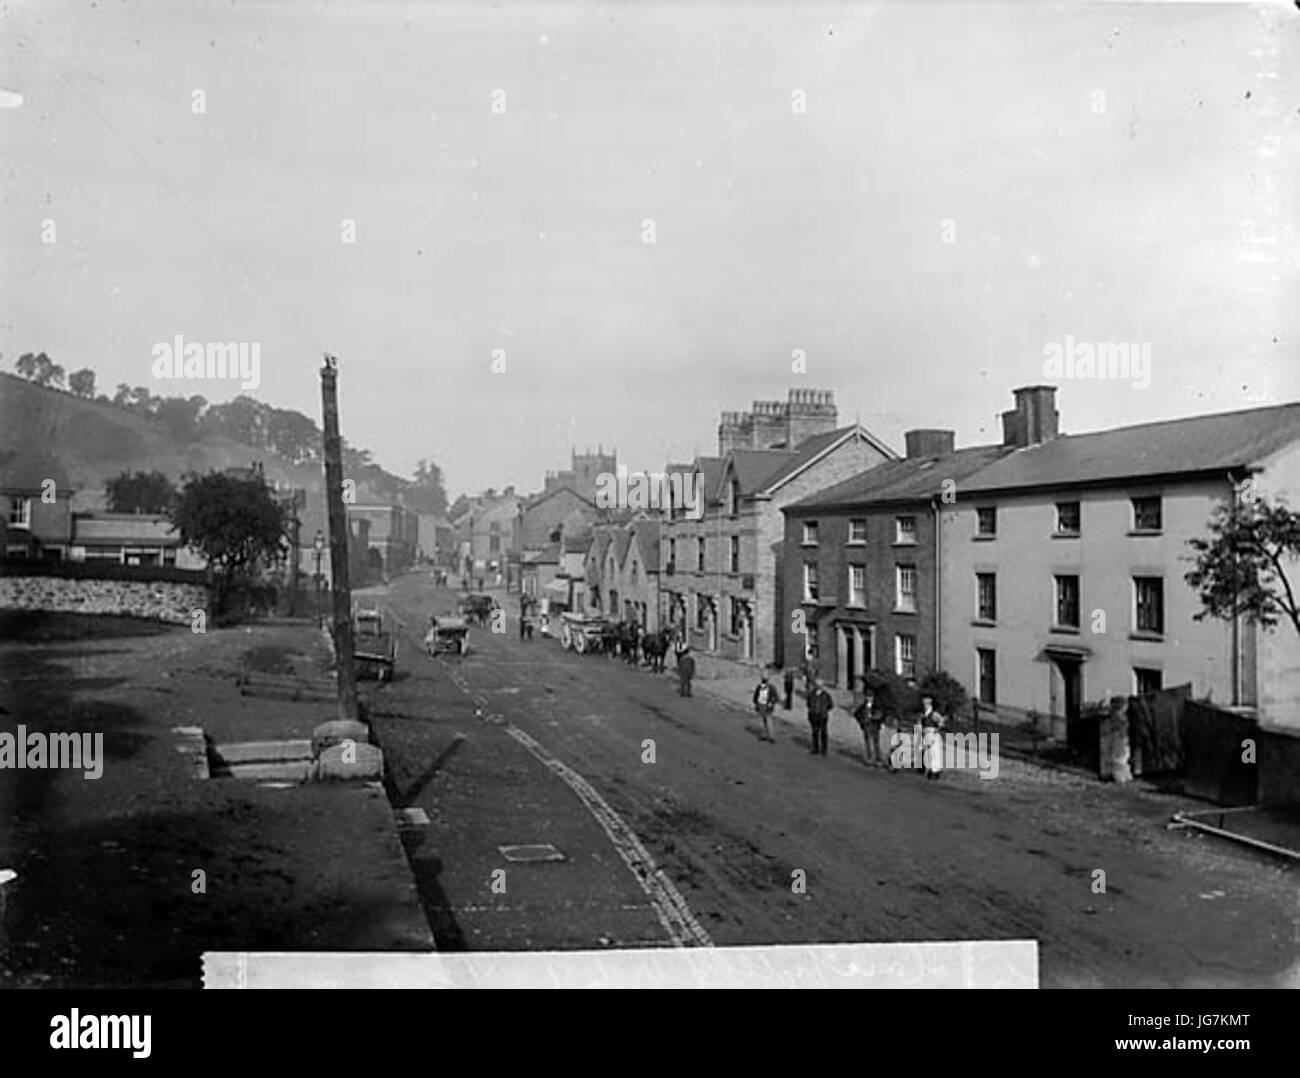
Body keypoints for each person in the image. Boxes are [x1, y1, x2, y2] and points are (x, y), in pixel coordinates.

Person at [852, 684, 885, 768]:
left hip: (875, 725)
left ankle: (878, 759)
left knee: (876, 743)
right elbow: (856, 714)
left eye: (870, 697)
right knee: (868, 743)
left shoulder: (876, 706)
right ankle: (869, 758)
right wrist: (861, 722)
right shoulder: (863, 706)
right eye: (868, 697)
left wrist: (875, 718)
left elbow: (881, 715)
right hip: (866, 726)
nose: (869, 698)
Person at [919, 692, 946, 780]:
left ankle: (935, 772)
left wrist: (936, 730)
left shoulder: (934, 714)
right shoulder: (923, 715)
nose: (925, 705)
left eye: (927, 703)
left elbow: (941, 723)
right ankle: (928, 769)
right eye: (924, 703)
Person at [806, 677, 833, 756]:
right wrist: (812, 710)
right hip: (813, 715)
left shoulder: (826, 695)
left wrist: (824, 711)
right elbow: (808, 703)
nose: (818, 686)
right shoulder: (811, 694)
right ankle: (815, 748)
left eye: (820, 685)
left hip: (822, 716)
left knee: (823, 732)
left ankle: (824, 749)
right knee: (815, 732)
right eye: (817, 685)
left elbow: (830, 705)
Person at [752, 673, 777, 742]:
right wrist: (772, 703)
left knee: (761, 721)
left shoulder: (759, 687)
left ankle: (763, 735)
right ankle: (771, 736)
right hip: (768, 706)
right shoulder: (771, 687)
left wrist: (755, 703)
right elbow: (775, 696)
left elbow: (755, 696)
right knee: (769, 721)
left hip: (760, 705)